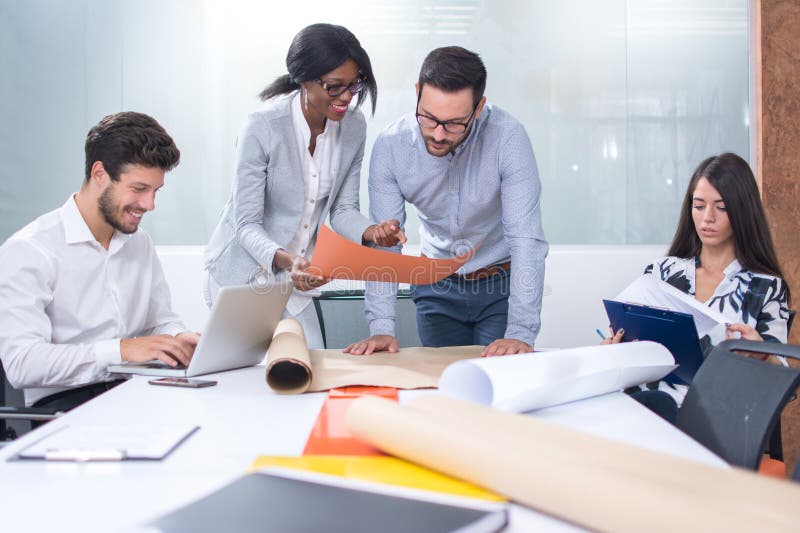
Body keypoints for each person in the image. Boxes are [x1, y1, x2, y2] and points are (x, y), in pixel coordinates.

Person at [204, 23, 404, 349]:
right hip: (242, 274)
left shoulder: (353, 127)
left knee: (311, 364)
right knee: (249, 379)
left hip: (296, 278)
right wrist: (288, 260)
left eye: (355, 85)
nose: (346, 98)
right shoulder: (263, 126)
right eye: (334, 87)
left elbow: (343, 210)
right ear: (304, 80)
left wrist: (373, 232)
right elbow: (246, 225)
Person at [344, 46, 548, 357]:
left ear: (478, 108)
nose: (438, 134)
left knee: (497, 385)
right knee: (443, 386)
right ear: (417, 93)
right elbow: (386, 244)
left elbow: (526, 240)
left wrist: (521, 331)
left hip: (499, 287)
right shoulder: (391, 146)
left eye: (454, 123)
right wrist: (381, 327)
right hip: (435, 287)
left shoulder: (508, 139)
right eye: (428, 118)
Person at [0, 112, 200, 410]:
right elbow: (23, 363)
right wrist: (121, 350)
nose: (149, 204)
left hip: (135, 393)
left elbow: (159, 322)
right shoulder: (30, 250)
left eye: (155, 191)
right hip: (63, 407)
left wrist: (177, 338)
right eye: (139, 189)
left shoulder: (138, 242)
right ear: (99, 174)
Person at [607, 152, 791, 419]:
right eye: (699, 205)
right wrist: (617, 346)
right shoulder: (661, 272)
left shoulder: (766, 288)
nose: (708, 217)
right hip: (648, 407)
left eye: (721, 207)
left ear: (742, 210)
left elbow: (781, 381)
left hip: (718, 416)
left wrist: (760, 354)